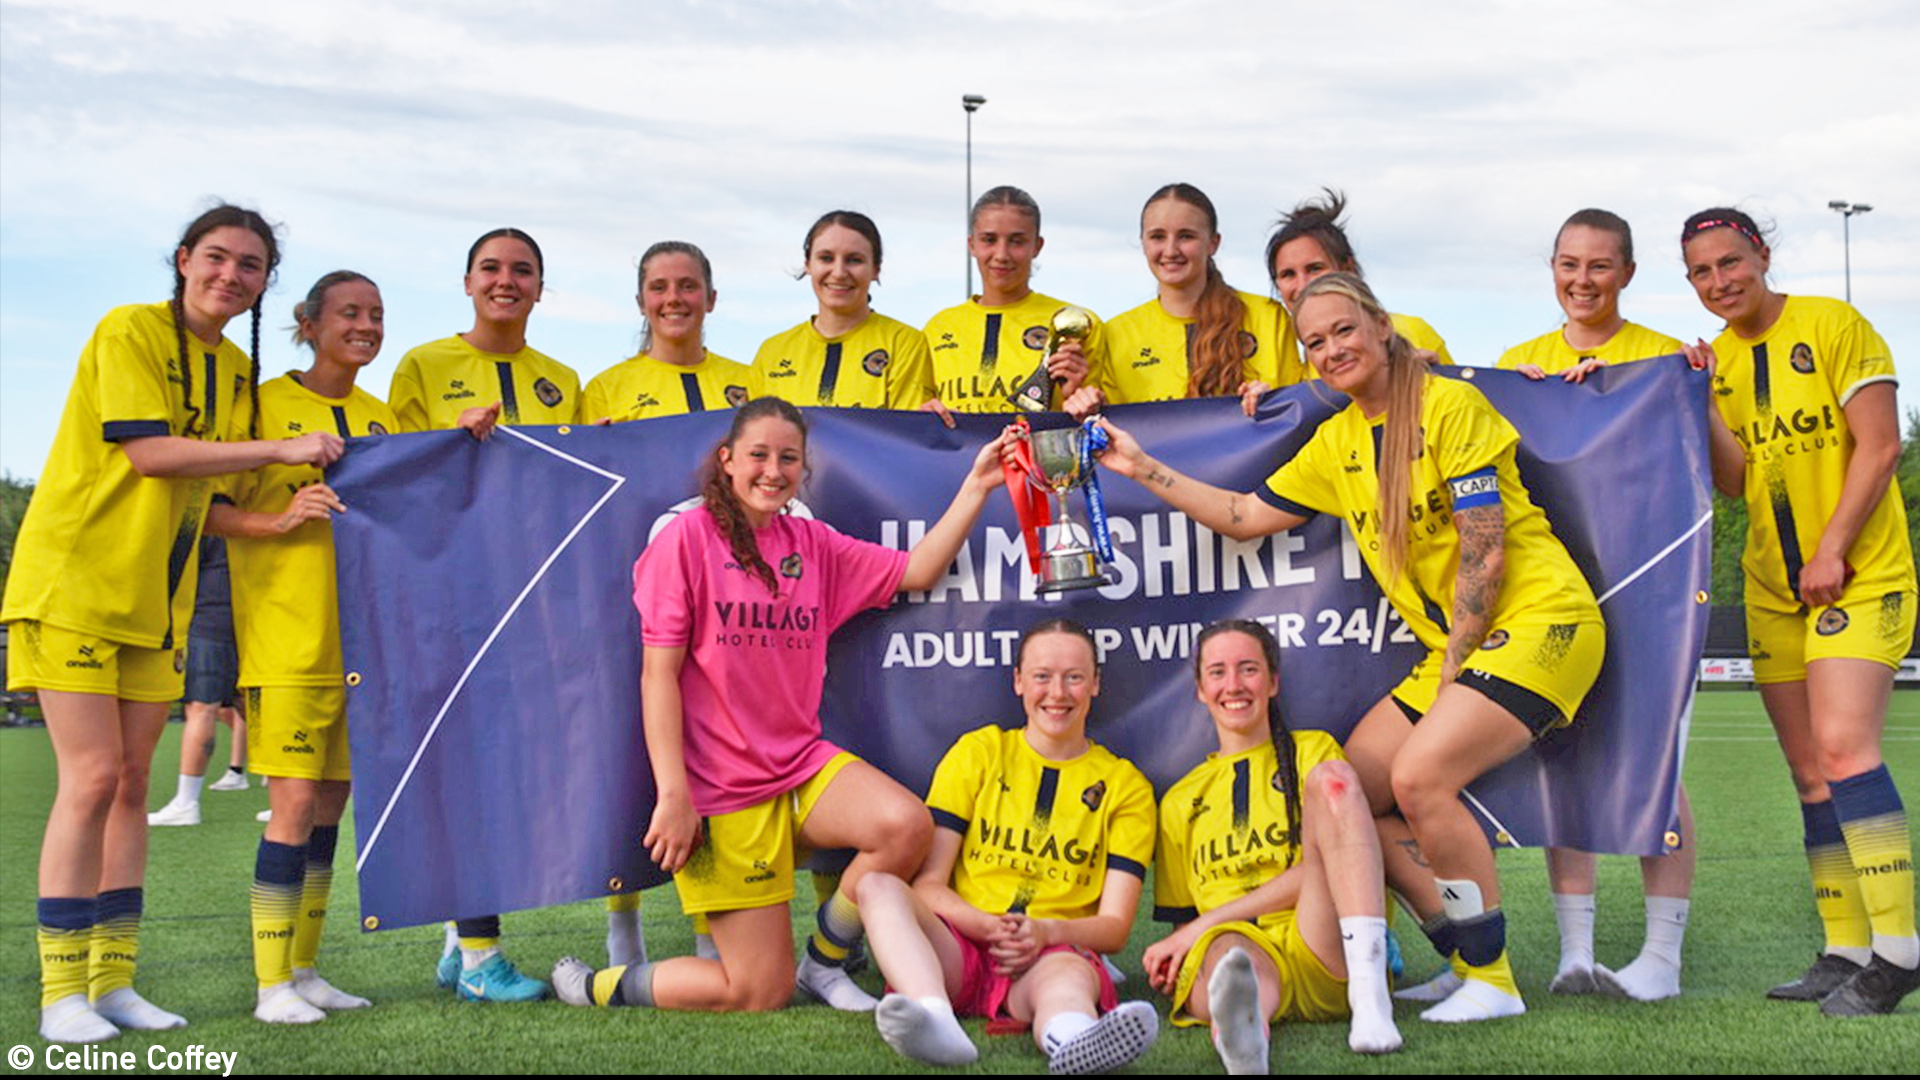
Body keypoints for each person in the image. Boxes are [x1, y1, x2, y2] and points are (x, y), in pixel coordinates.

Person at [1089, 272, 1606, 1023]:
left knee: (1422, 774)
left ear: (1381, 326)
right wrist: (1142, 468)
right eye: (1315, 341)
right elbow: (1238, 513)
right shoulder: (1336, 442)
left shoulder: (1449, 404)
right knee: (1350, 797)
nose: (1332, 349)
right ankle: (1463, 957)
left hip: (1539, 625)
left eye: (1343, 331)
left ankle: (1494, 980)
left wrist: (1456, 664)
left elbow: (1484, 550)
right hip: (1463, 649)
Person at [3, 203, 344, 1044]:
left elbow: (211, 500)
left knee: (128, 785)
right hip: (78, 584)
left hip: (159, 603)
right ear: (185, 259)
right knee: (88, 782)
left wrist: (277, 519)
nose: (232, 275)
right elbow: (150, 454)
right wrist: (279, 451)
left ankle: (113, 983)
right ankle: (60, 998)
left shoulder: (231, 367)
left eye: (251, 266)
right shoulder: (129, 330)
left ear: (266, 284)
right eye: (218, 258)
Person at [551, 396, 1012, 1015]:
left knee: (905, 826)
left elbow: (919, 569)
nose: (773, 470)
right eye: (758, 455)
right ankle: (597, 986)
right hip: (721, 788)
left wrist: (978, 485)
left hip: (798, 765)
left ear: (803, 470)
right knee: (755, 993)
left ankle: (823, 961)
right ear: (727, 461)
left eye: (788, 458)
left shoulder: (813, 544)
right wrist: (674, 794)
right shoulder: (685, 540)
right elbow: (657, 677)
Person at [1681, 207, 1916, 1016]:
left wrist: (1832, 549)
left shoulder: (1835, 323)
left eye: (1729, 263)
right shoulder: (1724, 363)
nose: (1719, 282)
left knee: (1848, 752)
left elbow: (1881, 447)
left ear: (1761, 255)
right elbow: (1740, 480)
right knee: (1810, 774)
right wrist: (1701, 398)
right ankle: (1844, 949)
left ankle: (1898, 954)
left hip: (1859, 577)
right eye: (1702, 274)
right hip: (1772, 590)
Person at [1484, 209, 1697, 1002]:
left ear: (1629, 273)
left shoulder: (1666, 359)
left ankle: (1662, 958)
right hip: (1555, 598)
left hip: (1653, 592)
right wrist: (1535, 407)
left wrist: (1695, 391)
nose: (1582, 280)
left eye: (1600, 266)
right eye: (1568, 264)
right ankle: (1575, 951)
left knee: (1658, 765)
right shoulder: (1519, 364)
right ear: (1551, 267)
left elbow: (1730, 476)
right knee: (1564, 759)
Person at [390, 227, 579, 1003]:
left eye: (522, 271)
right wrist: (451, 443)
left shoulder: (561, 377)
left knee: (512, 773)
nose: (507, 281)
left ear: (541, 287)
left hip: (531, 599)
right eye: (492, 269)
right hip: (451, 599)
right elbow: (394, 474)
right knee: (474, 769)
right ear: (467, 281)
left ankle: (458, 936)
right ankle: (478, 956)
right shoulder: (423, 365)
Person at [210, 270, 397, 1023]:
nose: (365, 326)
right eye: (349, 313)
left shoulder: (384, 419)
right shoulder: (262, 407)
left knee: (330, 808)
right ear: (309, 322)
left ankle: (306, 969)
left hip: (363, 647)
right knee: (290, 807)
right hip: (289, 639)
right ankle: (269, 986)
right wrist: (282, 520)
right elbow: (215, 513)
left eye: (376, 315)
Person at [857, 619, 1160, 1073]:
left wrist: (1046, 933)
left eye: (1074, 677)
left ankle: (1074, 1041)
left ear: (1095, 684)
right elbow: (929, 885)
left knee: (1069, 979)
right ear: (1018, 681)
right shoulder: (979, 752)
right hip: (958, 948)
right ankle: (936, 1017)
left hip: (1049, 953)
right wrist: (982, 924)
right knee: (877, 886)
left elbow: (1114, 927)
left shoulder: (1126, 787)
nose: (1057, 692)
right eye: (1042, 676)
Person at [1146, 620, 1401, 1070]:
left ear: (1273, 681)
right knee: (1228, 955)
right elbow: (1184, 927)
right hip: (1241, 949)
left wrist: (1200, 927)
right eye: (1218, 672)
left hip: (1320, 939)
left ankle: (1370, 1000)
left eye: (1248, 669)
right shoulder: (1180, 799)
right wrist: (1184, 950)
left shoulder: (1312, 751)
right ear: (1201, 689)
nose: (1234, 685)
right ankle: (1246, 1039)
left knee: (1334, 781)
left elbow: (1329, 867)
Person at [1079, 184, 1303, 419]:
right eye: (1158, 237)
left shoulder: (1267, 317)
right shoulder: (1117, 333)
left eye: (1186, 236)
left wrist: (1271, 402)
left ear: (1213, 243)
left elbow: (1296, 409)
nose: (1171, 250)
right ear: (1143, 243)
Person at [923, 186, 1107, 416]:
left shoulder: (1078, 325)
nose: (1001, 254)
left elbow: (1098, 426)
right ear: (972, 245)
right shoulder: (937, 328)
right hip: (966, 454)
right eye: (989, 240)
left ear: (1037, 246)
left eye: (1017, 241)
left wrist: (1075, 394)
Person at [753, 211, 934, 411]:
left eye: (854, 260)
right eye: (826, 258)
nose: (839, 273)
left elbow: (905, 434)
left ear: (875, 270)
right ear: (808, 265)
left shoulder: (904, 343)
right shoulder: (772, 352)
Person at [1265, 190, 1454, 364]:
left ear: (1348, 269)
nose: (1303, 285)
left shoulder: (1410, 332)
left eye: (1315, 268)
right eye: (1288, 274)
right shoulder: (1298, 365)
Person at [583, 241, 754, 423]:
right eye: (659, 288)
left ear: (711, 299)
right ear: (641, 303)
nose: (673, 298)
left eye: (688, 286)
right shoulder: (605, 390)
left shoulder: (751, 382)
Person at [147, 537, 250, 827]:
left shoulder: (207, 514)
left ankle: (186, 802)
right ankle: (287, 795)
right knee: (248, 705)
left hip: (208, 618)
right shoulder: (252, 505)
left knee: (202, 708)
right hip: (247, 615)